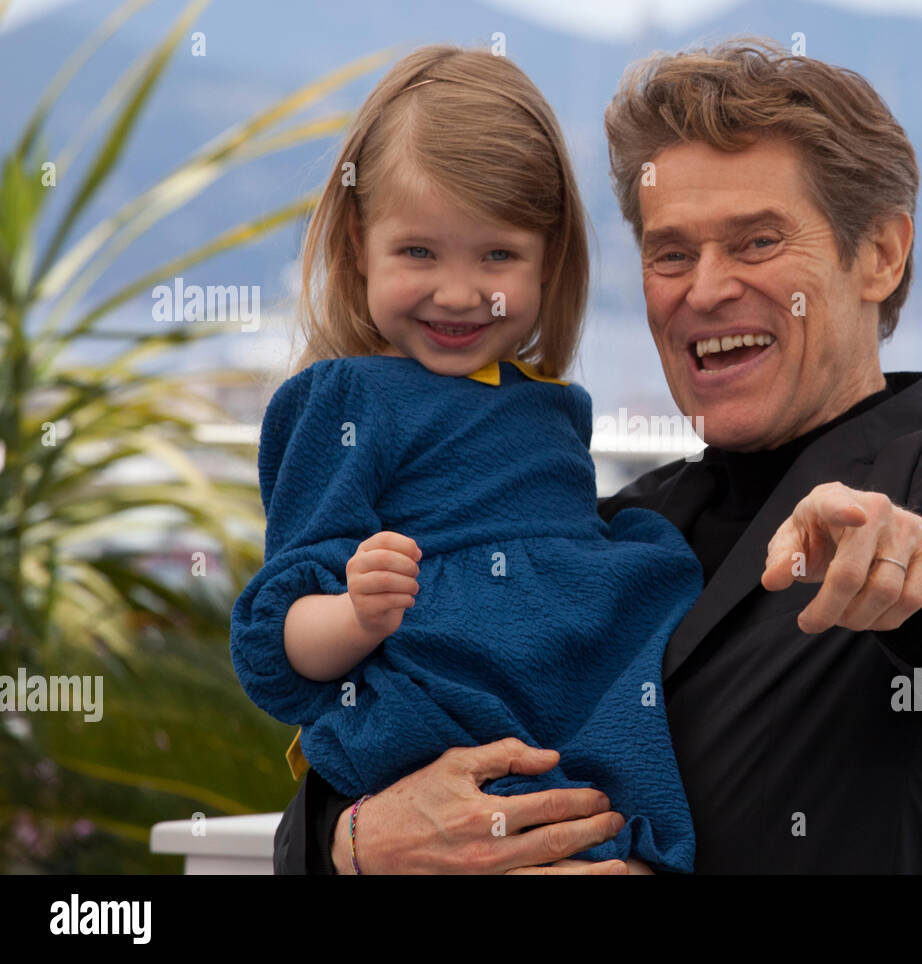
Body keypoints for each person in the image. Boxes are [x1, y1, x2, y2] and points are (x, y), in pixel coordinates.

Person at [273, 36, 922, 875]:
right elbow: (333, 791)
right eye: (672, 254)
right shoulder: (625, 526)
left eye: (758, 242)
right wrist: (358, 842)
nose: (705, 288)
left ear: (880, 253)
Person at [229, 45, 703, 874]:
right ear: (358, 240)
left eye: (496, 256)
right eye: (418, 252)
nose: (457, 292)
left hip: (572, 649)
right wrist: (356, 615)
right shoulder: (344, 400)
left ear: (548, 258)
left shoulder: (551, 404)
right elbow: (279, 632)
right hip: (449, 671)